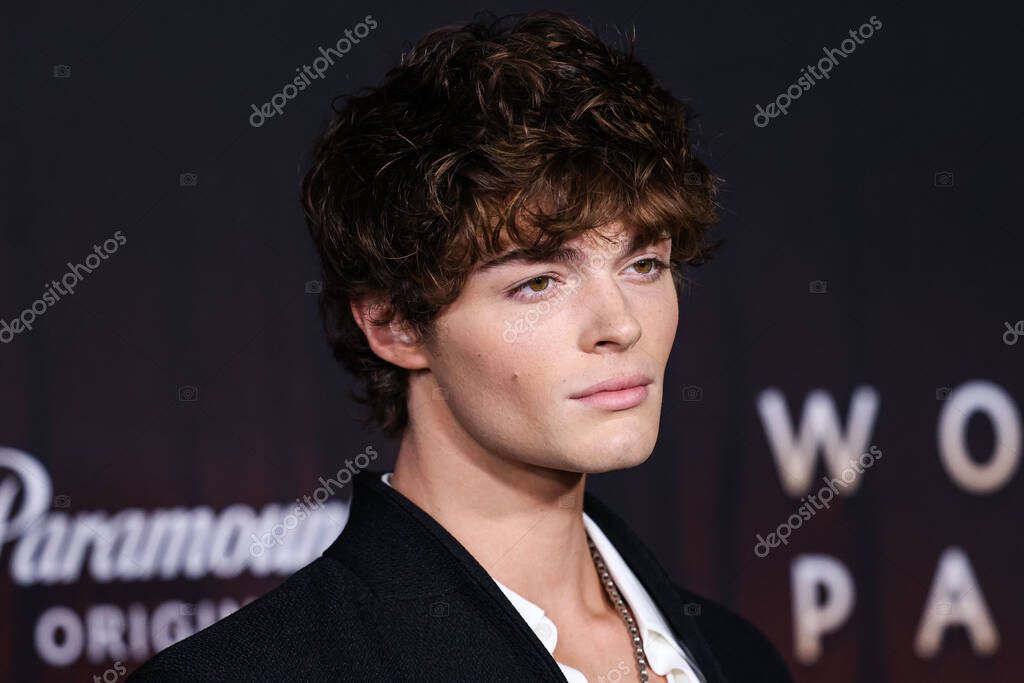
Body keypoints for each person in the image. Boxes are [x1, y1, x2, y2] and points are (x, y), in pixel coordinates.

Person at [129, 10, 792, 682]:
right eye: (539, 281)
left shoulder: (741, 656)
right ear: (395, 325)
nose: (620, 323)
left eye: (644, 264)